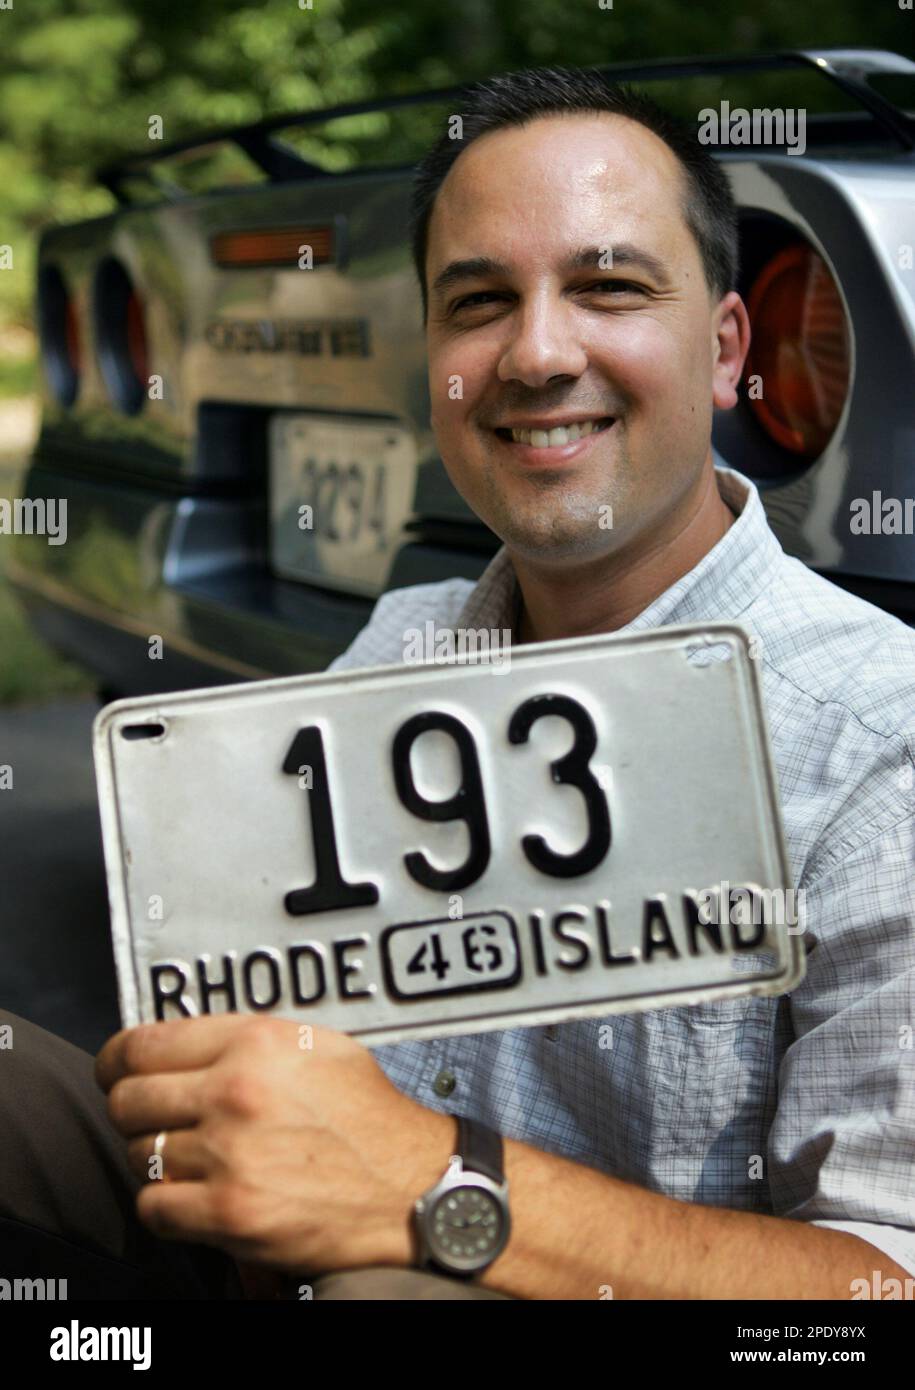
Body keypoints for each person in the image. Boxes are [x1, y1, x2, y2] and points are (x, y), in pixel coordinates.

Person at [2, 66, 914, 1302]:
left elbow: (884, 1284)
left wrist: (440, 1184)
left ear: (725, 350)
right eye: (479, 302)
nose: (535, 353)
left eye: (608, 287)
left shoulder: (879, 741)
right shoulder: (403, 639)